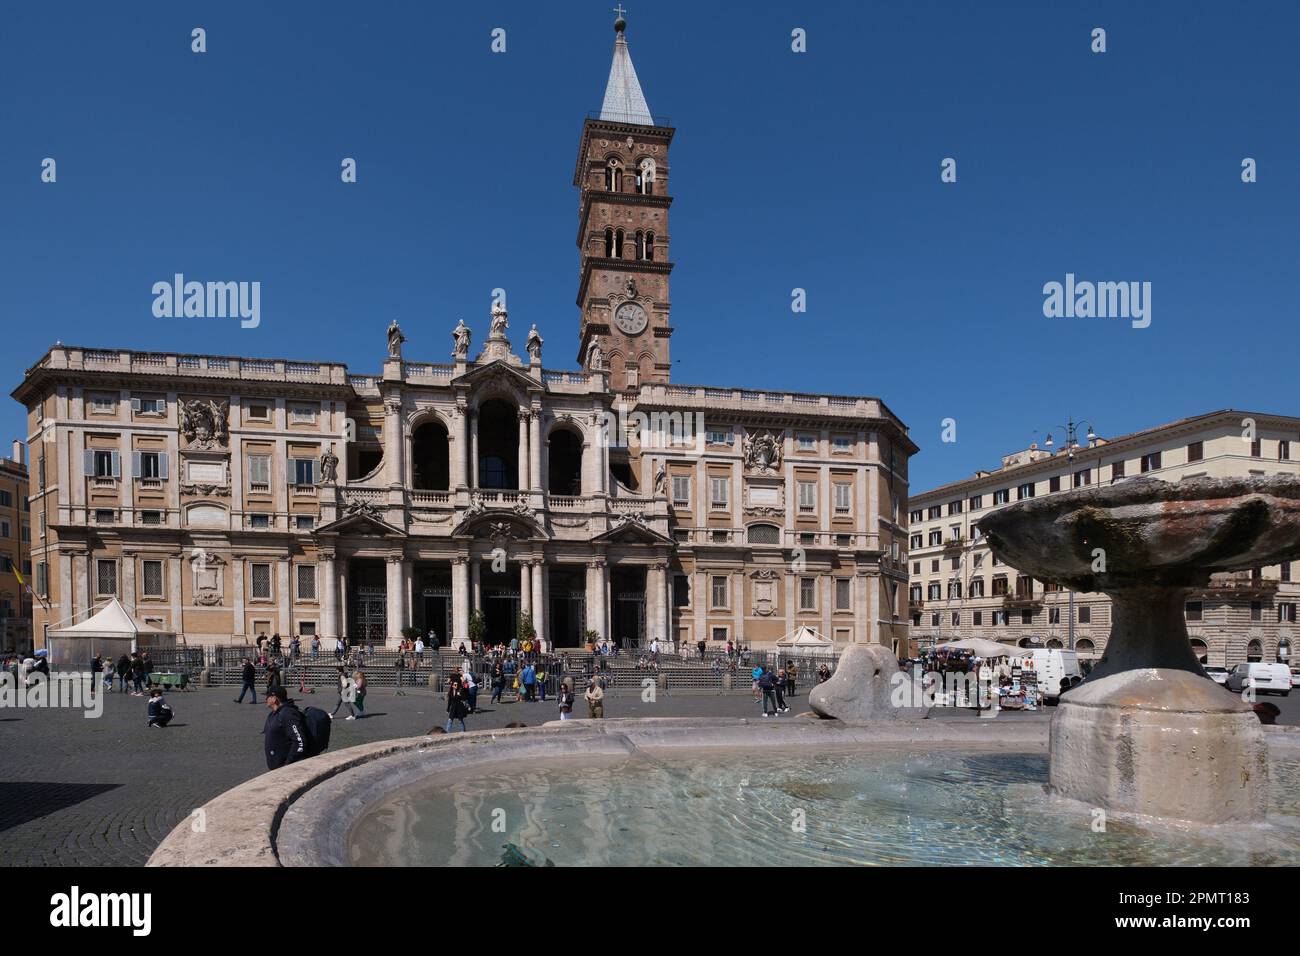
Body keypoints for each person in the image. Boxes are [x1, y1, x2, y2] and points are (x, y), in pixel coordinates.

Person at [262, 686, 308, 770]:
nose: (266, 699)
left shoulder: (287, 714)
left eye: (268, 696)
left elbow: (300, 741)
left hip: (285, 768)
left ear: (275, 699)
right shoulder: (274, 714)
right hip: (276, 767)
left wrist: (288, 764)